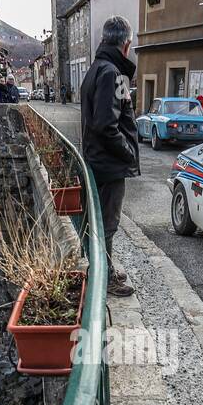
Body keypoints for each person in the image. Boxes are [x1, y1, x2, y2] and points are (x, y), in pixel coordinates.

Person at [80, 15, 140, 297]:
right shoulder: (114, 74)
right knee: (107, 225)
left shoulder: (97, 69)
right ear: (126, 44)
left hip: (100, 162)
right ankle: (104, 279)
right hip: (110, 165)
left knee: (102, 224)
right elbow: (107, 125)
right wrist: (128, 153)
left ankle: (105, 269)